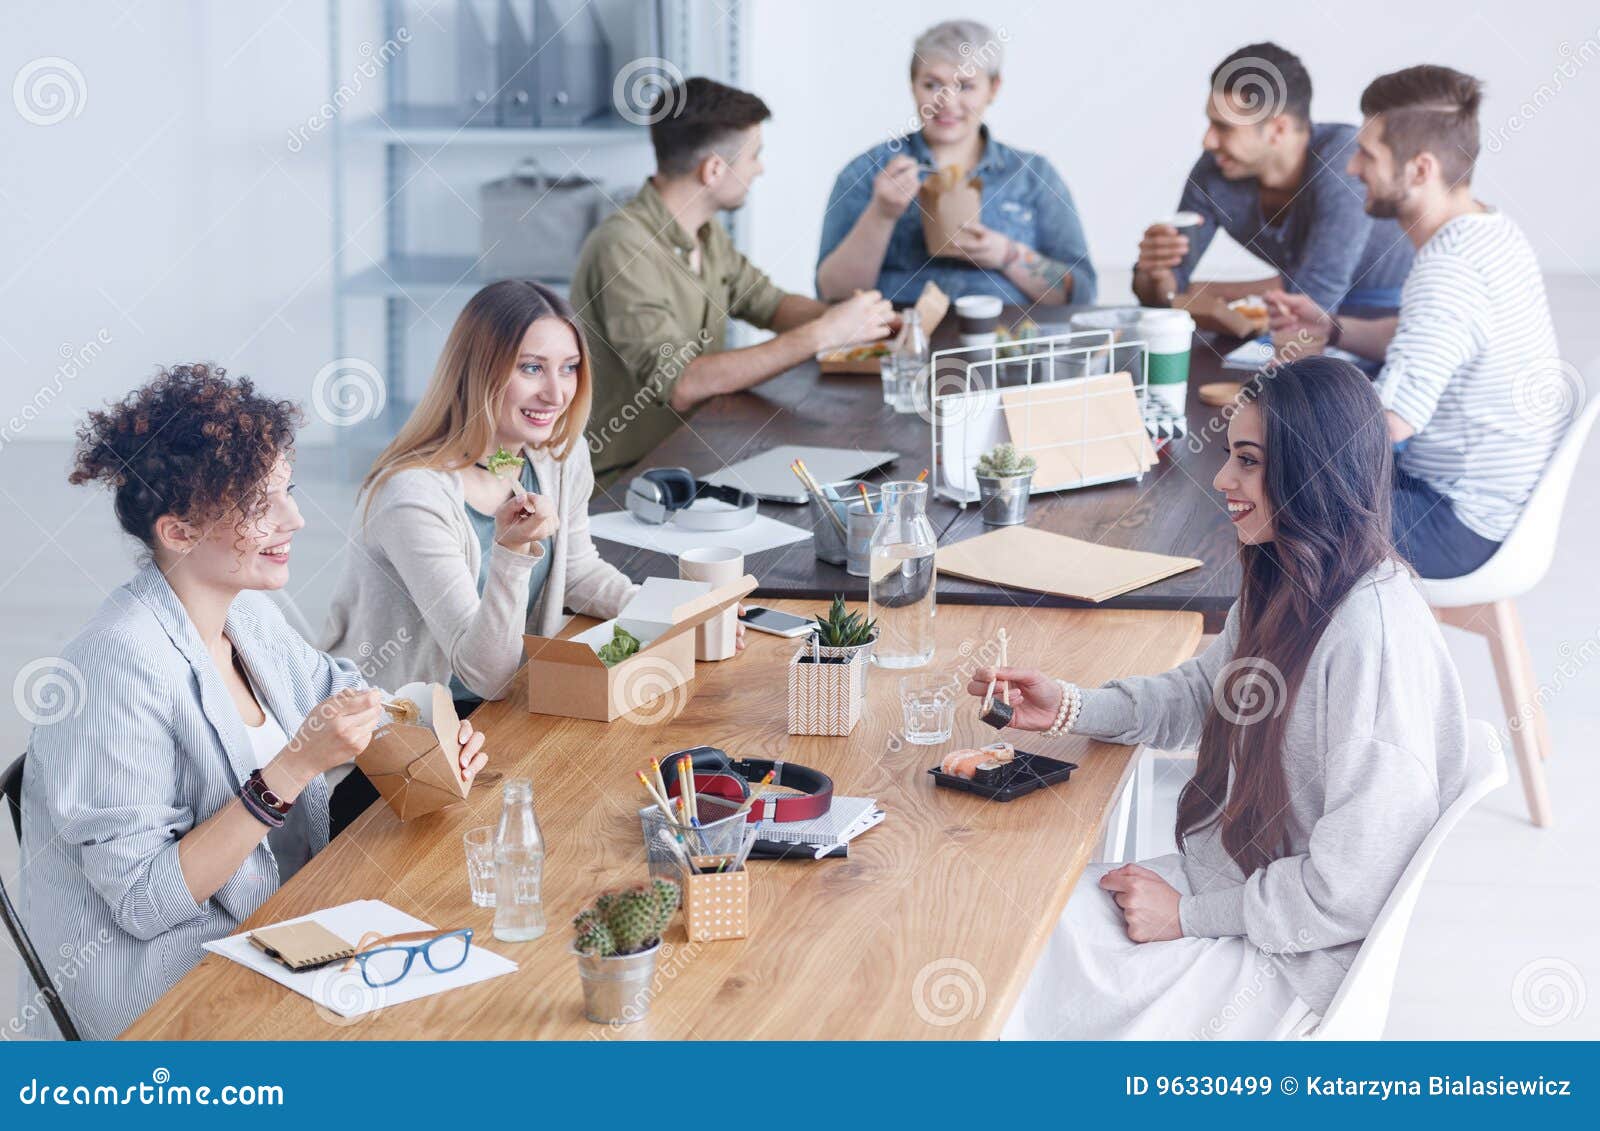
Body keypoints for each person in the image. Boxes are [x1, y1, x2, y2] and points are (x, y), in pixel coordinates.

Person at [968, 357, 1469, 1039]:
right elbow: (1204, 694)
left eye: (1249, 460)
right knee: (1013, 919)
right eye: (1232, 455)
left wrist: (1188, 915)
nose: (1223, 479)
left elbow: (1351, 886)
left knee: (1011, 957)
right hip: (1239, 897)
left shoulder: (1369, 638)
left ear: (1314, 472)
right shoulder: (1295, 577)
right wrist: (1069, 706)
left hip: (1288, 964)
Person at [18, 364, 491, 1039]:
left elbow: (347, 694)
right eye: (257, 503)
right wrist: (292, 769)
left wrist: (434, 737)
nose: (294, 517)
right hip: (168, 995)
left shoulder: (247, 616)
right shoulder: (113, 666)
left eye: (286, 490)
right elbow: (146, 901)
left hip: (279, 921)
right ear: (178, 531)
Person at [1268, 65, 1562, 579]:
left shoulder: (1449, 272)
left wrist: (1280, 414)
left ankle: (1268, 653)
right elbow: (1415, 337)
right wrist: (1332, 329)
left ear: (1420, 169)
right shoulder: (1490, 229)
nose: (1353, 168)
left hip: (1453, 524)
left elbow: (1387, 423)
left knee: (1269, 495)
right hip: (1487, 506)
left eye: (1369, 154)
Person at [325, 281, 652, 721]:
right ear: (478, 372)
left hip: (509, 706)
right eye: (532, 368)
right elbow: (485, 675)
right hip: (406, 732)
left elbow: (574, 570)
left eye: (569, 368)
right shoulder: (412, 495)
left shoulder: (555, 455)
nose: (556, 394)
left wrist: (662, 614)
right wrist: (511, 550)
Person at [571, 77, 895, 482]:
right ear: (714, 170)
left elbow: (769, 304)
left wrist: (865, 319)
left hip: (699, 456)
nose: (760, 168)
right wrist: (822, 335)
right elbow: (682, 383)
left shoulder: (705, 233)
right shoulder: (622, 247)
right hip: (631, 483)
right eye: (754, 156)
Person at [816, 18, 1096, 308]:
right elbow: (832, 294)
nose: (947, 102)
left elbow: (1081, 294)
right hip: (896, 342)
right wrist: (881, 214)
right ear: (913, 85)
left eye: (966, 86)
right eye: (932, 84)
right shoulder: (868, 172)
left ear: (993, 89)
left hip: (1005, 345)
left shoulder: (1033, 176)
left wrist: (1008, 255)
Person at [1134, 43, 1413, 316]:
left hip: (1393, 310)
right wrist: (1154, 275)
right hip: (1300, 311)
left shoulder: (1344, 161)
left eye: (1224, 127)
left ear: (1278, 129)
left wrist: (1197, 295)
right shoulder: (1215, 170)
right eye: (1210, 122)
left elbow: (1315, 298)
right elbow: (1166, 295)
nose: (1207, 141)